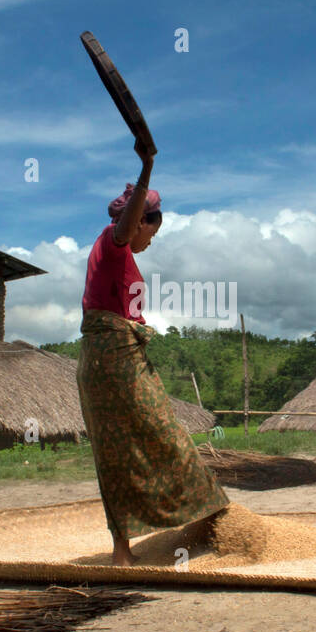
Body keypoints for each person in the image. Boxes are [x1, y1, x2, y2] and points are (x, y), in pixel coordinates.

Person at [76, 140, 230, 566]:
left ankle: (129, 547)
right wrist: (146, 167)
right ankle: (214, 516)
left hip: (107, 360)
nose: (150, 242)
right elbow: (125, 228)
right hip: (113, 363)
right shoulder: (114, 243)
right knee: (163, 437)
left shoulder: (115, 254)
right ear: (140, 222)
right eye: (152, 232)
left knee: (126, 448)